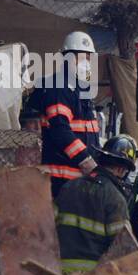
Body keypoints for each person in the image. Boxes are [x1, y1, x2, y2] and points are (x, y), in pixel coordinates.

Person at [54, 135, 137, 274]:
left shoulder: (68, 187)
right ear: (121, 169)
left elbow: (49, 227)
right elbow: (123, 246)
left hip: (58, 273)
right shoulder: (115, 199)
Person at [39, 30, 101, 198]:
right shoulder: (59, 88)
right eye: (81, 57)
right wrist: (86, 160)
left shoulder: (82, 92)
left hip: (81, 180)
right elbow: (60, 129)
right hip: (62, 181)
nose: (86, 63)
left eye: (89, 58)